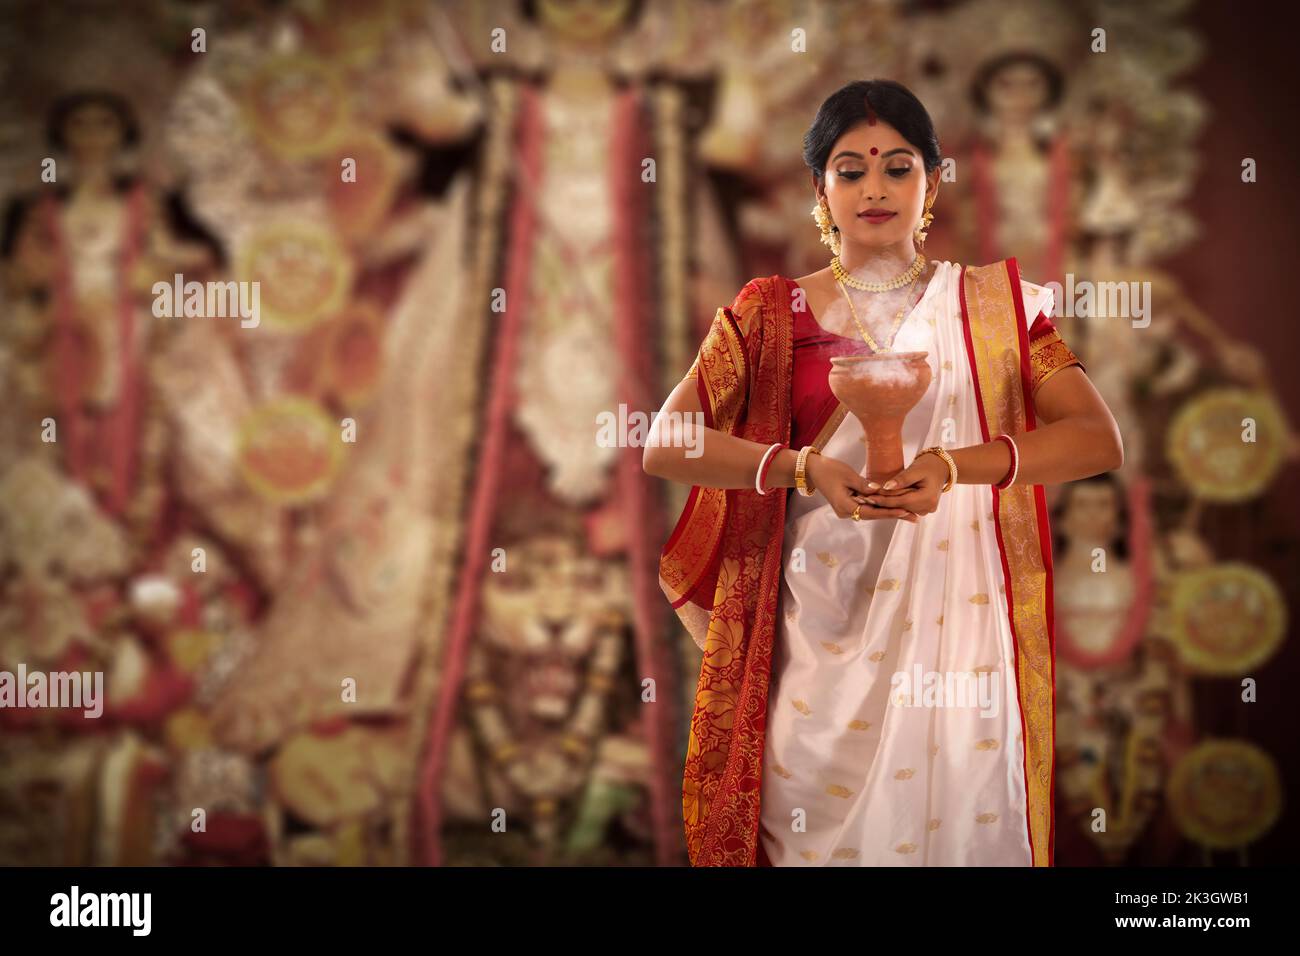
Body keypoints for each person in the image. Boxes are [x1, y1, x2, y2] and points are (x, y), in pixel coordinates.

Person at [643, 79, 1123, 866]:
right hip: (815, 653)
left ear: (932, 184)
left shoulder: (993, 311)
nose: (874, 188)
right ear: (820, 191)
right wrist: (800, 468)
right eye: (850, 169)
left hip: (956, 653)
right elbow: (666, 441)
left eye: (898, 168)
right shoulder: (770, 314)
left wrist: (951, 465)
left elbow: (1097, 439)